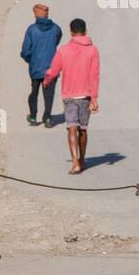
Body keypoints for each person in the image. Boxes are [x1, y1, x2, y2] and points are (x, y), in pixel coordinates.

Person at [43, 18, 100, 174]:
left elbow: (53, 70)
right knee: (83, 129)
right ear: (85, 31)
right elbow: (94, 75)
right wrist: (94, 98)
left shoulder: (63, 50)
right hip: (86, 96)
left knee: (71, 128)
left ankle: (75, 162)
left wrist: (46, 81)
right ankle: (82, 159)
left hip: (69, 95)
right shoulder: (93, 50)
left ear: (71, 32)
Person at [21, 3, 63, 126]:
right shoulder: (56, 28)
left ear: (35, 15)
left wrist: (31, 59)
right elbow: (57, 39)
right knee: (49, 94)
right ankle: (48, 117)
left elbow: (25, 50)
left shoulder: (31, 29)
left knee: (34, 92)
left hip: (35, 67)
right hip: (52, 67)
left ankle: (33, 117)